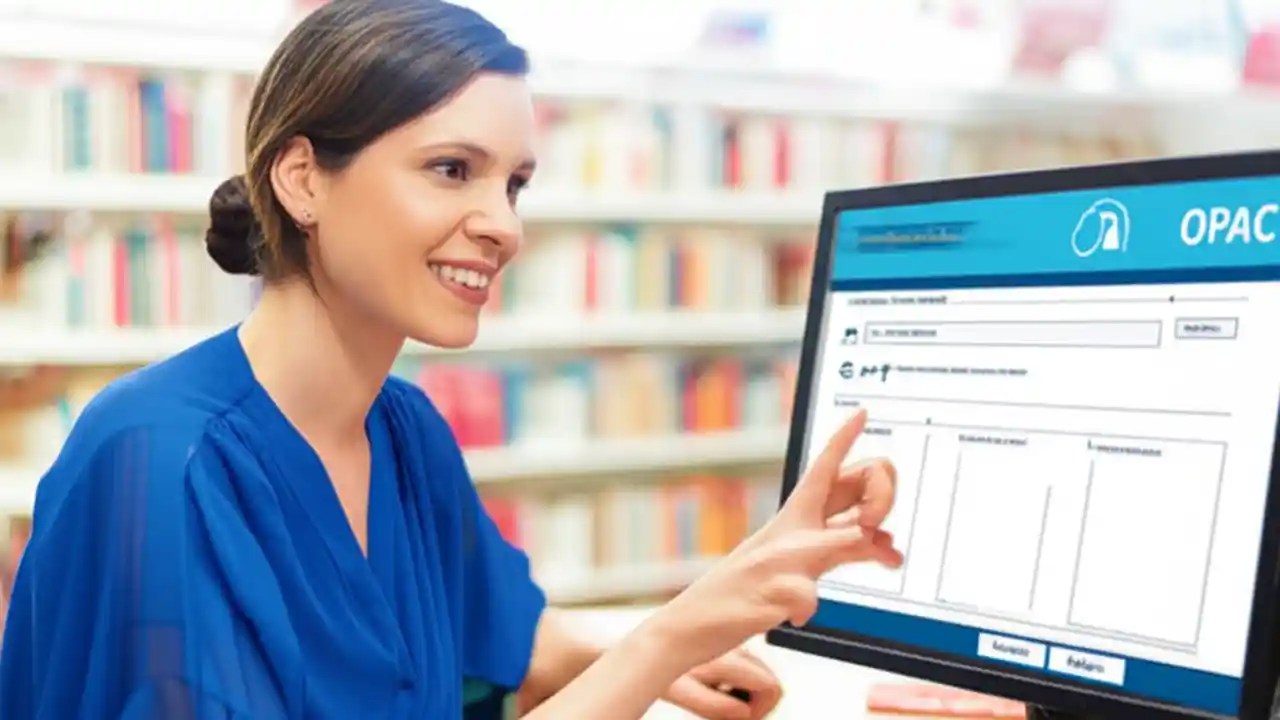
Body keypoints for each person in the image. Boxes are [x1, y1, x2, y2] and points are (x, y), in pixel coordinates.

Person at [0, 1, 904, 718]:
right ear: (303, 178)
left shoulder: (404, 433)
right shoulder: (161, 462)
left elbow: (508, 642)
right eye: (450, 170)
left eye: (514, 183)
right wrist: (670, 639)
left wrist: (715, 606)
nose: (503, 226)